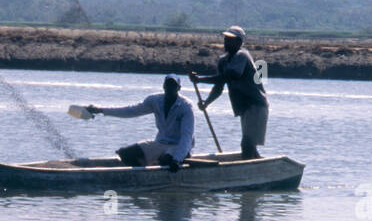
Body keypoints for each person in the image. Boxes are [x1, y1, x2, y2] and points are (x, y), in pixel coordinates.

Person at [189, 25, 268, 160]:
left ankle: (248, 171)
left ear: (239, 42)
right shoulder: (223, 61)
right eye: (226, 39)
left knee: (247, 143)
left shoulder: (242, 55)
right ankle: (259, 166)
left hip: (255, 105)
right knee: (250, 145)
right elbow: (219, 87)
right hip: (244, 107)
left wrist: (200, 80)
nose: (226, 42)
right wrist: (207, 102)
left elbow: (232, 75)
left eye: (230, 40)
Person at [85, 74, 194, 169]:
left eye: (173, 86)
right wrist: (100, 110)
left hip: (177, 145)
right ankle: (142, 173)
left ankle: (177, 159)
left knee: (165, 161)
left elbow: (187, 136)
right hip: (160, 143)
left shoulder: (186, 106)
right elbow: (130, 111)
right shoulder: (155, 100)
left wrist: (177, 159)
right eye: (168, 85)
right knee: (124, 153)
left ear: (179, 88)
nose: (170, 88)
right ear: (163, 86)